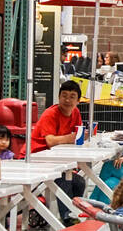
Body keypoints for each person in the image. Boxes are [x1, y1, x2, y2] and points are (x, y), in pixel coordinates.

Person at [33, 80, 86, 216]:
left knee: (79, 182)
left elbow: (76, 137)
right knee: (64, 181)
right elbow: (50, 141)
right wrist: (70, 138)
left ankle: (76, 213)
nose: (67, 100)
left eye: (72, 96)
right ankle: (66, 217)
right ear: (58, 97)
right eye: (64, 95)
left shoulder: (76, 113)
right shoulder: (50, 114)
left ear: (78, 100)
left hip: (58, 161)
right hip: (38, 159)